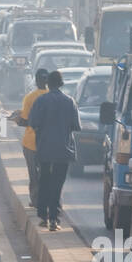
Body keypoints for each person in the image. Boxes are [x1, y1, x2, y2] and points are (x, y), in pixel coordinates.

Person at [27, 70, 79, 231]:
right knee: (57, 184)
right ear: (61, 84)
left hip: (44, 149)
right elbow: (76, 126)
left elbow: (33, 122)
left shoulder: (41, 101)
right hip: (63, 150)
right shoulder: (70, 102)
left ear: (48, 84)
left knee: (44, 181)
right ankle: (54, 219)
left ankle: (43, 216)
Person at [11, 68, 50, 208]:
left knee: (33, 175)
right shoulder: (53, 96)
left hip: (31, 143)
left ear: (36, 79)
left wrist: (17, 119)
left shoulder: (30, 97)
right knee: (46, 174)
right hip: (48, 143)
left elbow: (26, 120)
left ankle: (35, 200)